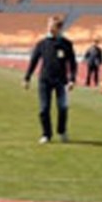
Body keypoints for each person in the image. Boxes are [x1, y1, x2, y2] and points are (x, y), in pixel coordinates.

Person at [24, 15, 77, 143]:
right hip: (45, 81)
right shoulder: (42, 44)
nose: (49, 28)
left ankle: (62, 131)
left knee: (63, 107)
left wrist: (72, 80)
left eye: (52, 26)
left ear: (58, 28)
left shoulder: (67, 44)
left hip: (61, 81)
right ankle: (46, 134)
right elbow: (34, 61)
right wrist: (27, 78)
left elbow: (72, 63)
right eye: (48, 25)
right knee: (44, 109)